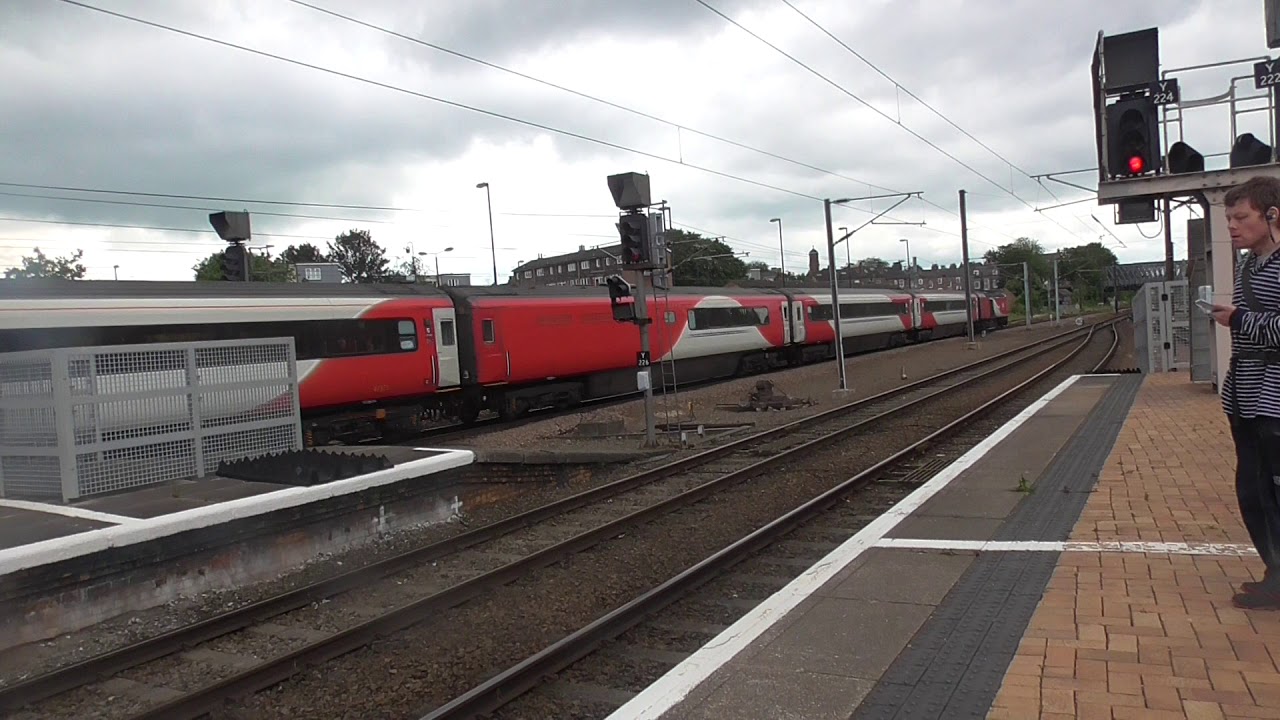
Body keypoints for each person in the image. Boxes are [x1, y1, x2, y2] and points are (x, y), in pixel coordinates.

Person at [1210, 175, 1280, 610]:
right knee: (1253, 490)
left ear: (1272, 216)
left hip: (1275, 397)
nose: (1233, 227)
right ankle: (1274, 572)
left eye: (1241, 217)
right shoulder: (1248, 265)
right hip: (1246, 397)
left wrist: (1237, 320)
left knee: (1275, 489)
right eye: (1228, 219)